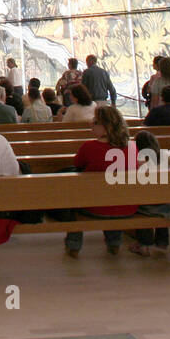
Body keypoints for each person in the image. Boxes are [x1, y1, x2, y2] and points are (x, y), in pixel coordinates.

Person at [64, 105, 137, 257]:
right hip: (127, 205)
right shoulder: (131, 147)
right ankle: (114, 243)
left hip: (96, 207)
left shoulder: (89, 147)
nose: (91, 124)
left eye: (95, 122)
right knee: (114, 193)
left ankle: (74, 245)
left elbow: (78, 164)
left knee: (73, 198)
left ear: (106, 127)